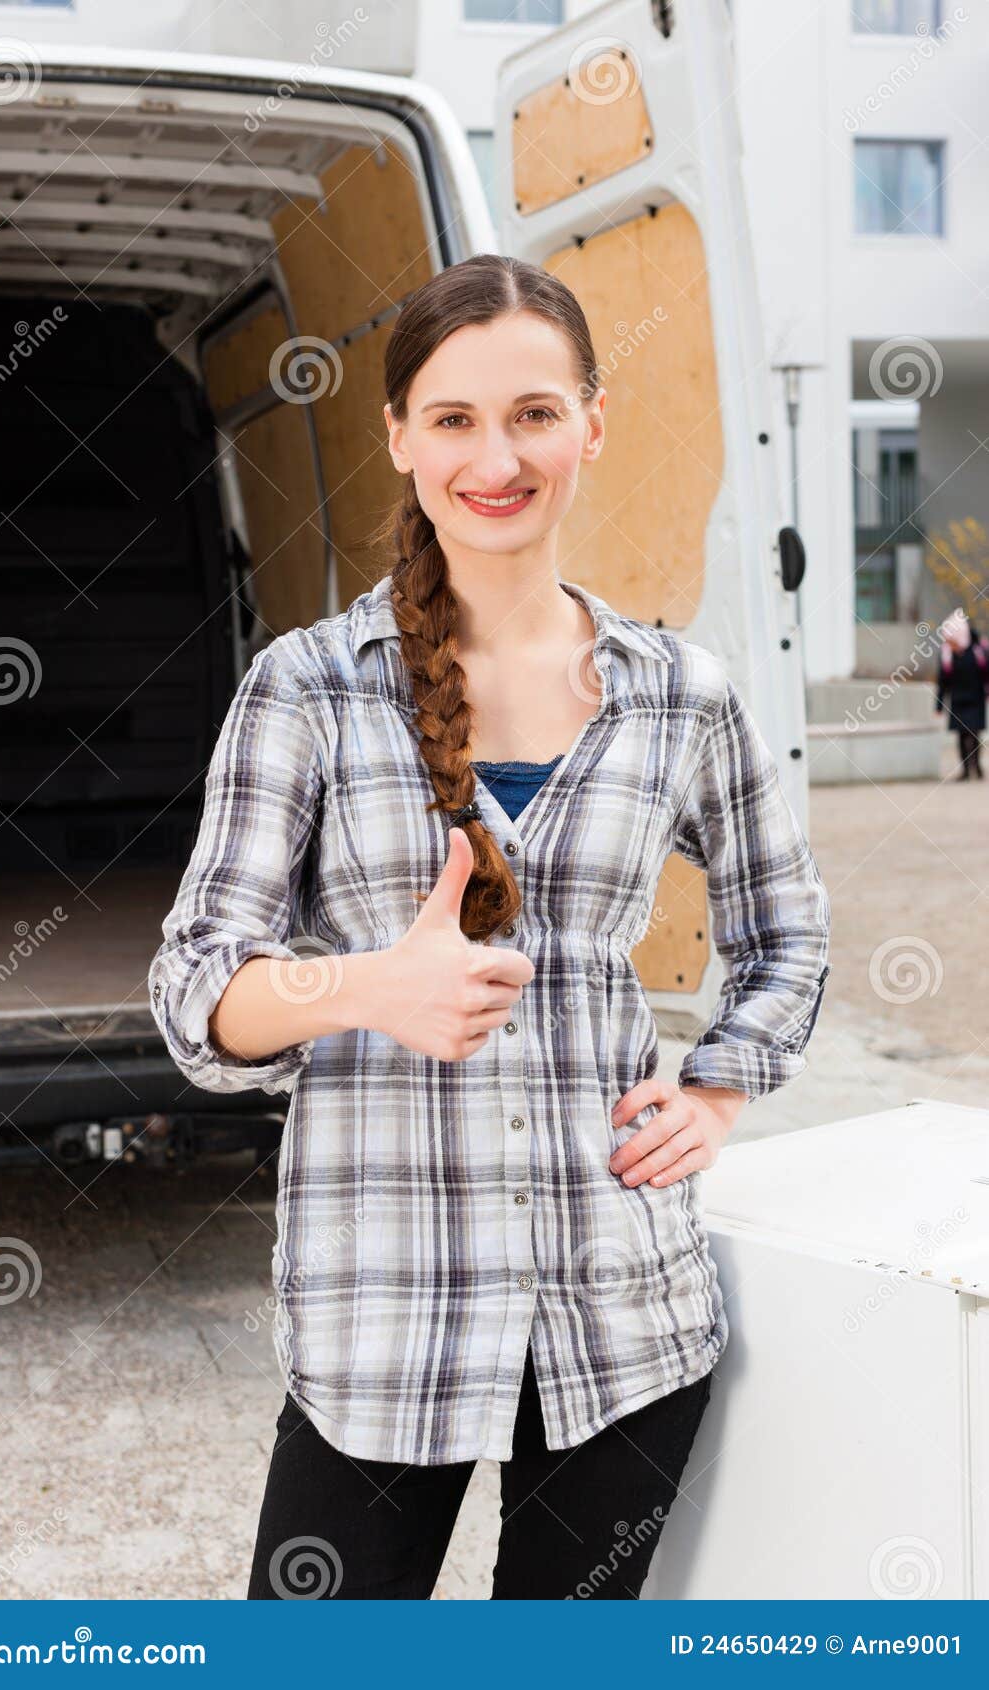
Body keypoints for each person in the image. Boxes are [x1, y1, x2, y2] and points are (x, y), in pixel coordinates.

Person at [148, 254, 832, 1600]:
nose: (494, 455)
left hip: (620, 1314)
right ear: (397, 436)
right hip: (383, 1310)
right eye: (452, 419)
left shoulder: (681, 694)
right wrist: (361, 986)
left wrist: (717, 1083)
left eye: (531, 412)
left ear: (589, 423)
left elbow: (786, 931)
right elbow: (191, 990)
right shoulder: (304, 689)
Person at [934, 608, 987, 780]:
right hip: (957, 701)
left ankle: (977, 767)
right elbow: (943, 682)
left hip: (976, 699)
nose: (949, 642)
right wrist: (938, 705)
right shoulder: (947, 656)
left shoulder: (978, 653)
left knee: (974, 733)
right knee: (961, 735)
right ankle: (965, 770)